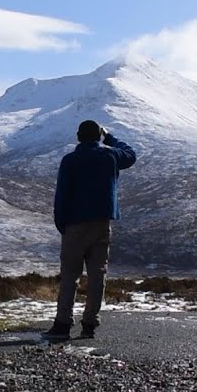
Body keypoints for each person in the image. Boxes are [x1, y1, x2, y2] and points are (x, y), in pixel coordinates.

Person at [44, 119, 137, 341]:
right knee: (97, 275)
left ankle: (63, 324)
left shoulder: (70, 160)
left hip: (75, 225)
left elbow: (62, 194)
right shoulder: (110, 156)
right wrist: (110, 137)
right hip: (102, 224)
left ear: (78, 136)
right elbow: (130, 154)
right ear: (98, 136)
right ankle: (89, 325)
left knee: (70, 276)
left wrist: (62, 225)